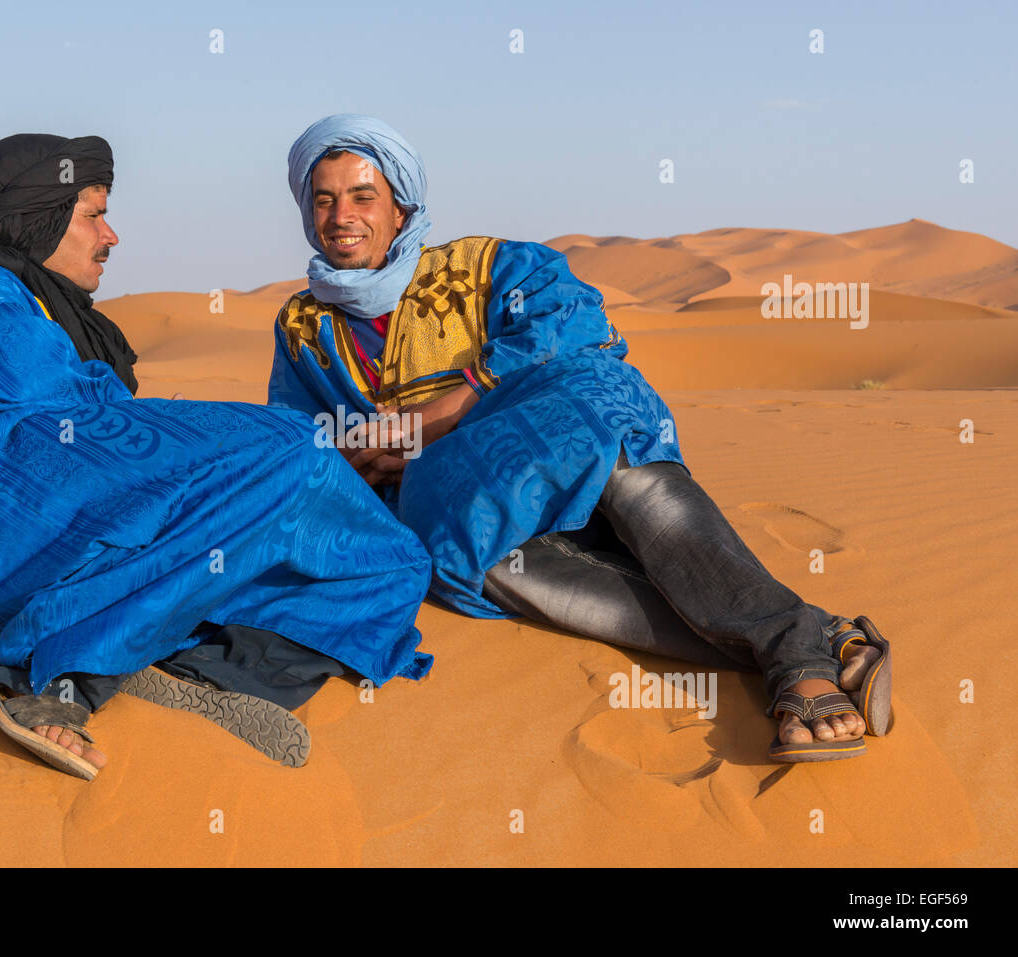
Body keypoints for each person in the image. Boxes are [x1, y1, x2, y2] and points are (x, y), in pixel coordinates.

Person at [267, 115, 892, 763]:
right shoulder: (304, 328)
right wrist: (359, 456)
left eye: (362, 196)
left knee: (591, 402)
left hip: (592, 467)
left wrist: (445, 410)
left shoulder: (488, 267)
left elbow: (576, 327)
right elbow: (297, 437)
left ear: (400, 208)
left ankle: (796, 649)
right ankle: (813, 643)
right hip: (471, 508)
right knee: (448, 542)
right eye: (324, 198)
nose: (342, 214)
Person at [0, 133, 433, 779]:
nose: (112, 234)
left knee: (384, 554)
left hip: (46, 532)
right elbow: (41, 398)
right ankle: (48, 677)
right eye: (94, 214)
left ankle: (199, 664)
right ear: (36, 217)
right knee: (288, 450)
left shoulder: (18, 293)